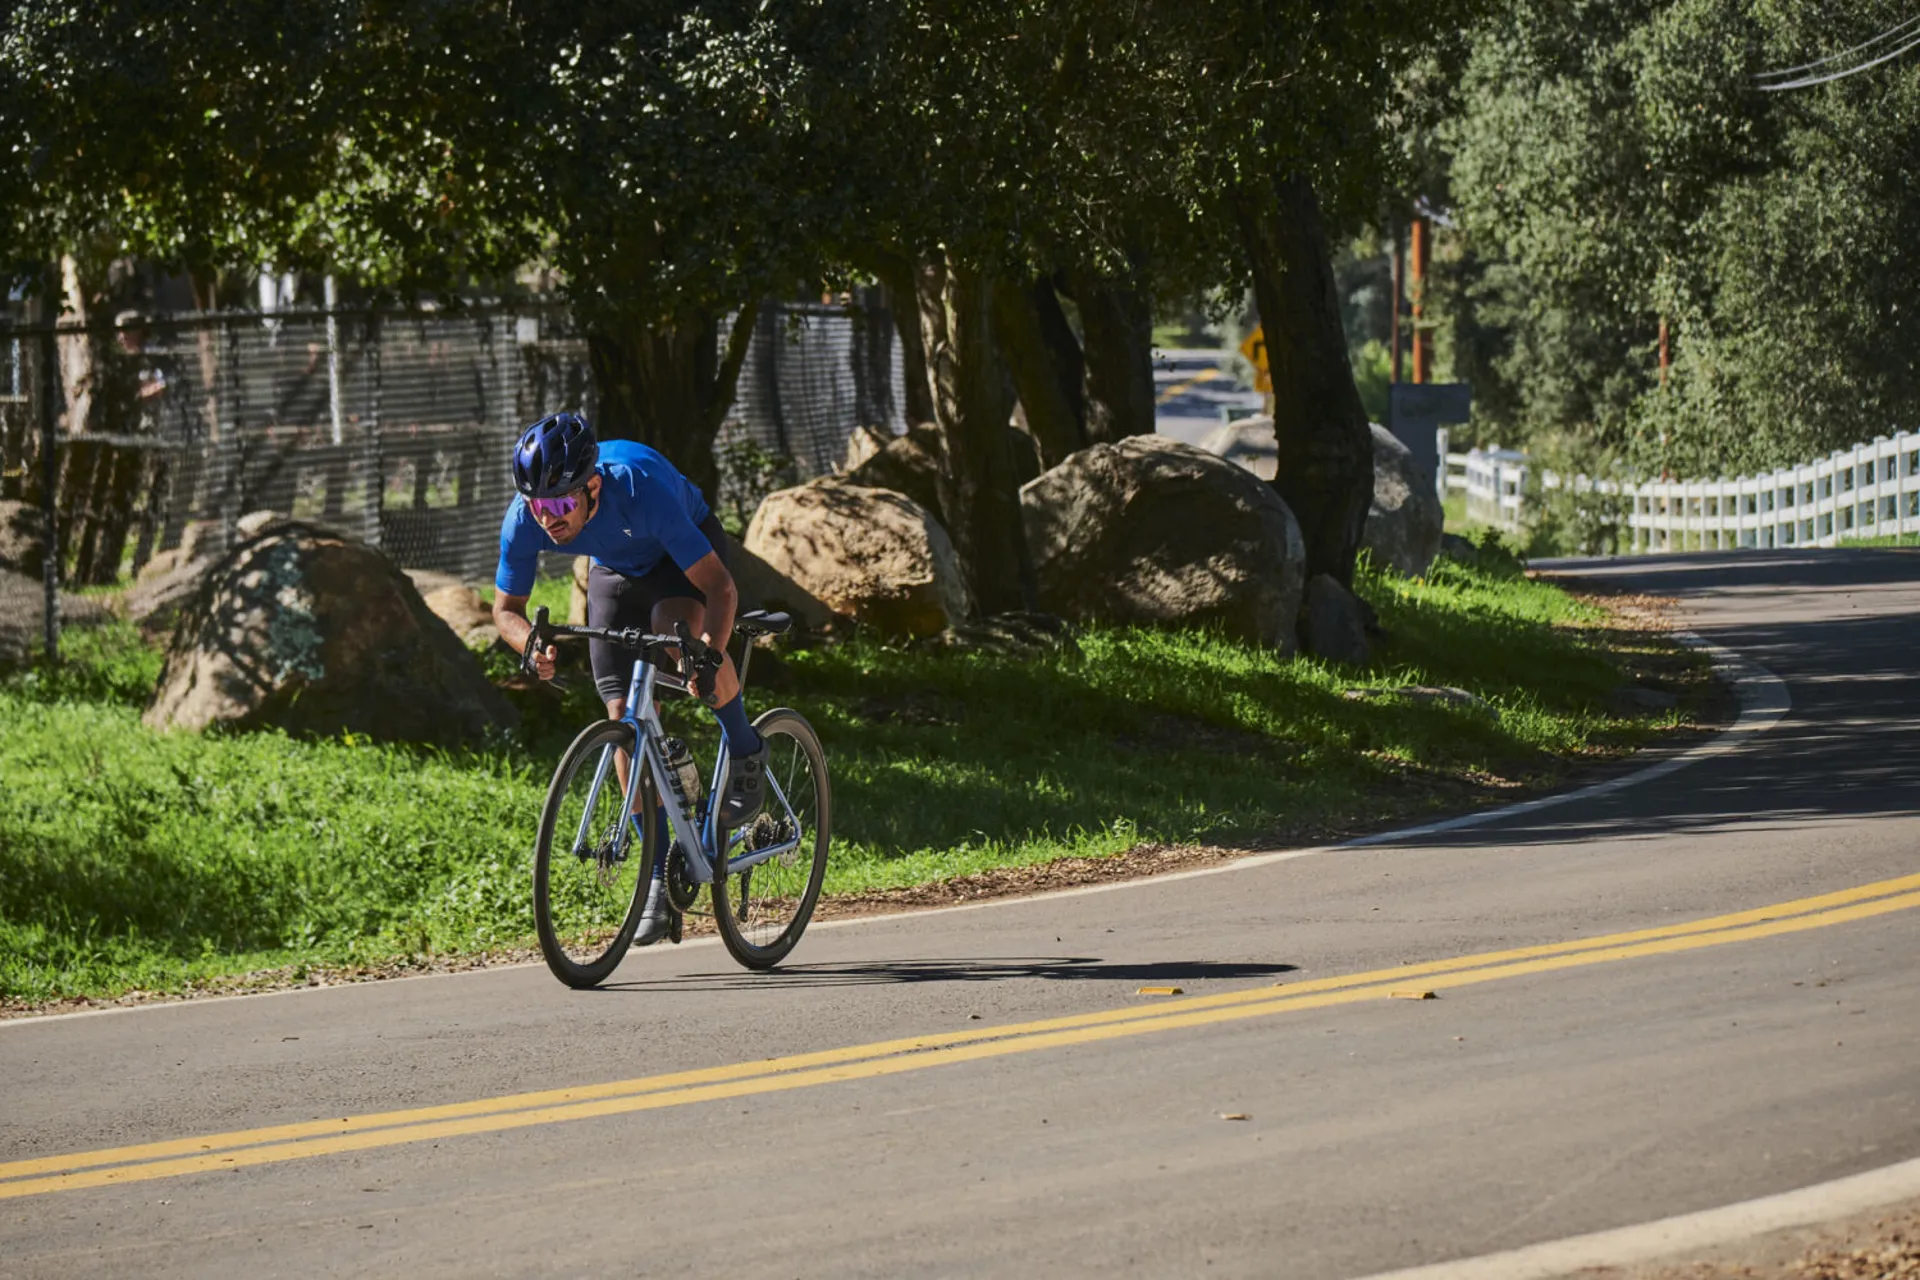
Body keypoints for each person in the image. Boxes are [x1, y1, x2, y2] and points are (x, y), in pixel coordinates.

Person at [491, 411, 766, 945]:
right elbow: (506, 610)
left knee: (679, 639)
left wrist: (709, 654)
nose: (548, 519)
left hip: (679, 557)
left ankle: (746, 747)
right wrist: (530, 644)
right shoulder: (526, 516)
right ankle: (658, 879)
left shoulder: (641, 490)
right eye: (539, 506)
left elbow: (721, 590)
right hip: (615, 569)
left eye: (560, 505)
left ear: (592, 487)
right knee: (622, 716)